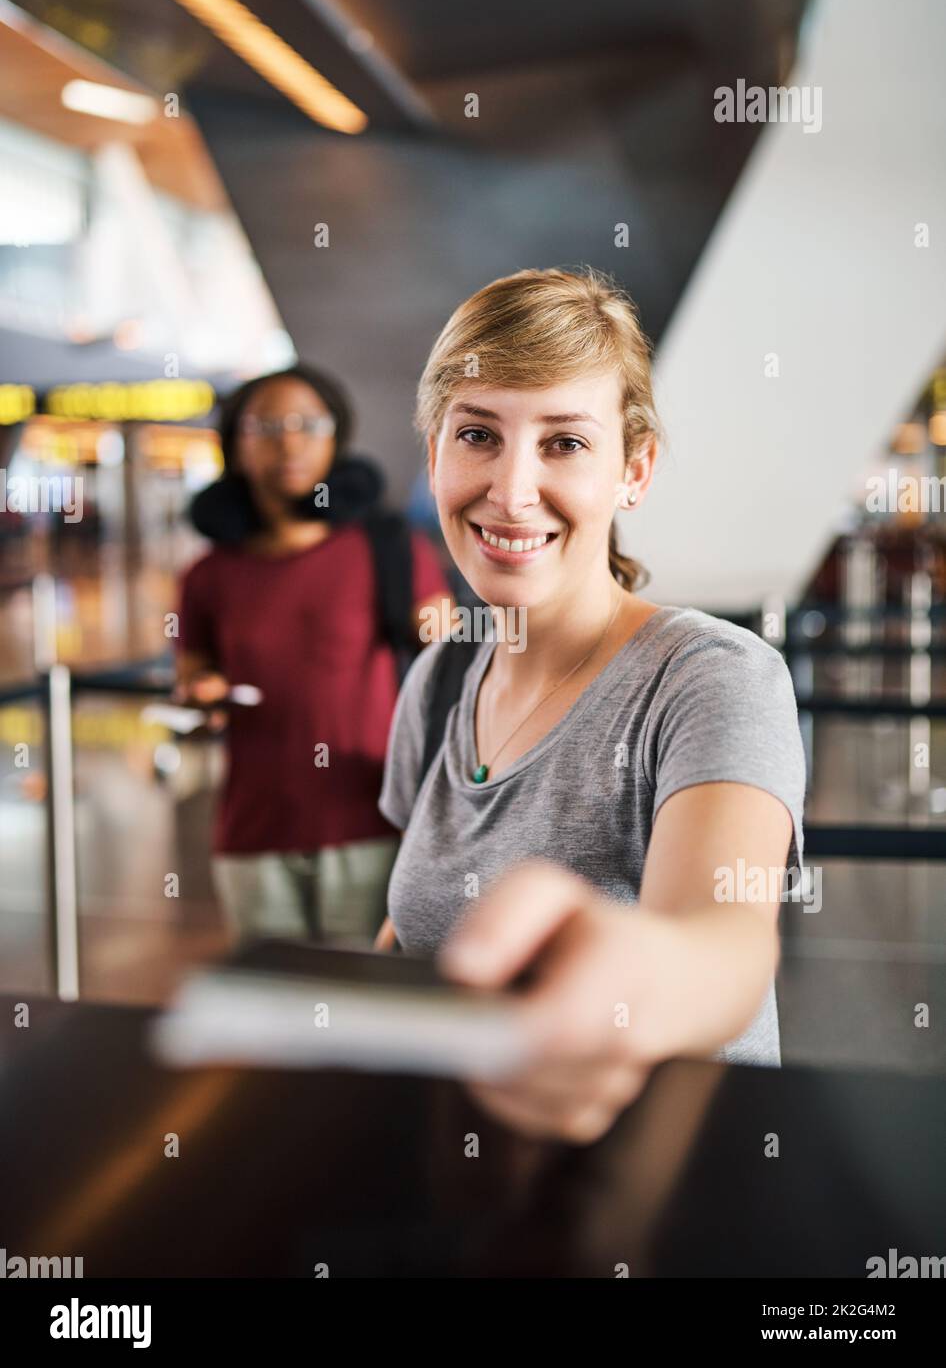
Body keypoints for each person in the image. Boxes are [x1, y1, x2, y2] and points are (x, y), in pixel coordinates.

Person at [375, 268, 806, 1143]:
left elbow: (726, 942)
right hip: (468, 1183)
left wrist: (628, 983)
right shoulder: (444, 677)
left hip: (674, 1195)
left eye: (564, 444)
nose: (510, 489)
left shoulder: (709, 678)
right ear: (434, 455)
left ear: (633, 470)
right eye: (478, 435)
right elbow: (409, 930)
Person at [176, 365, 450, 944]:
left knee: (362, 999)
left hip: (369, 820)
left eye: (309, 424)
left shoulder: (388, 547)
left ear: (336, 439)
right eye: (267, 425)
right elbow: (193, 672)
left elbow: (447, 647)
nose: (290, 440)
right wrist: (202, 694)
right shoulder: (208, 575)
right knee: (273, 1004)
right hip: (254, 825)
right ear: (234, 443)